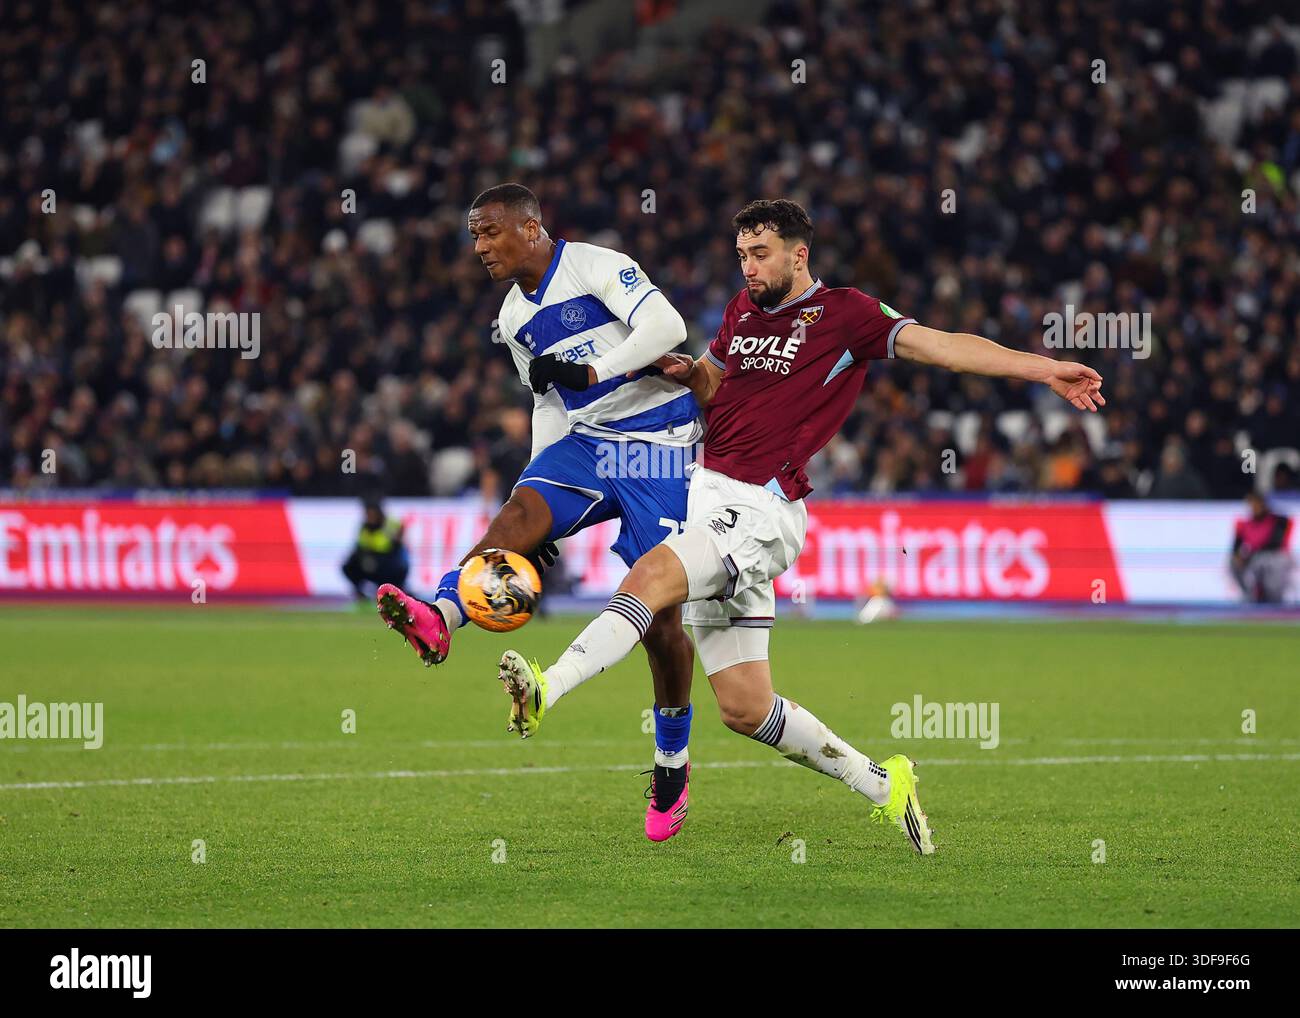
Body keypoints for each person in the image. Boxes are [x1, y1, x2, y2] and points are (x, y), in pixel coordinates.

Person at [497, 199, 1106, 855]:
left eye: (760, 255)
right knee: (743, 707)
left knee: (649, 578)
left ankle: (545, 686)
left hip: (760, 508)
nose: (749, 268)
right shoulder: (740, 312)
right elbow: (715, 386)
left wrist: (1045, 368)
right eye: (741, 256)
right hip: (710, 500)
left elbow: (945, 348)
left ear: (798, 253)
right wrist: (680, 369)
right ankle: (882, 783)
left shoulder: (846, 315)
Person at [376, 183, 700, 841]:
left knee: (662, 624)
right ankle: (441, 615)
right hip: (585, 444)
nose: (480, 247)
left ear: (529, 228)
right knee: (517, 515)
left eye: (489, 233)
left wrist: (594, 372)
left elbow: (668, 328)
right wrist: (541, 489)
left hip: (661, 446)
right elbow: (547, 400)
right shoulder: (513, 318)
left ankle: (671, 767)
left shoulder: (595, 266)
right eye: (473, 236)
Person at [341, 497, 409, 602]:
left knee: (395, 565)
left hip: (389, 564)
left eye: (372, 514)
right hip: (373, 563)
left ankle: (396, 591)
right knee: (348, 565)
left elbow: (398, 545)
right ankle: (360, 593)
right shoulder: (364, 527)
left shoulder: (390, 525)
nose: (369, 517)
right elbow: (359, 548)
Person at [1230, 492, 1293, 603]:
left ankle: (1272, 596)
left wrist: (1250, 555)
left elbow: (1275, 543)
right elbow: (1236, 545)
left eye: (1256, 504)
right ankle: (1249, 594)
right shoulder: (1245, 523)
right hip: (1254, 555)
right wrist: (1238, 556)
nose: (1254, 508)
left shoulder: (1278, 521)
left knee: (1265, 562)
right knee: (1234, 562)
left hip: (1275, 556)